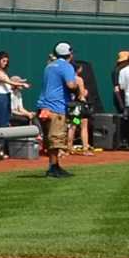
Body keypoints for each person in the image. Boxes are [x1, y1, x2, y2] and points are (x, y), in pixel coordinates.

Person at [37, 42, 85, 179]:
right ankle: (53, 168)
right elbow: (71, 84)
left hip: (43, 106)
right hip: (56, 107)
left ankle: (55, 165)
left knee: (51, 139)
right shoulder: (66, 66)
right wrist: (78, 89)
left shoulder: (49, 66)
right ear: (70, 54)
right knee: (56, 138)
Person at [0, 52, 29, 159]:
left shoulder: (4, 72)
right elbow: (6, 81)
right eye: (3, 61)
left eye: (7, 61)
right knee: (1, 123)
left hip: (7, 97)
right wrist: (21, 84)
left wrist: (19, 83)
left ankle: (3, 150)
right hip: (0, 98)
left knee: (6, 123)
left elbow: (9, 84)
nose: (5, 63)